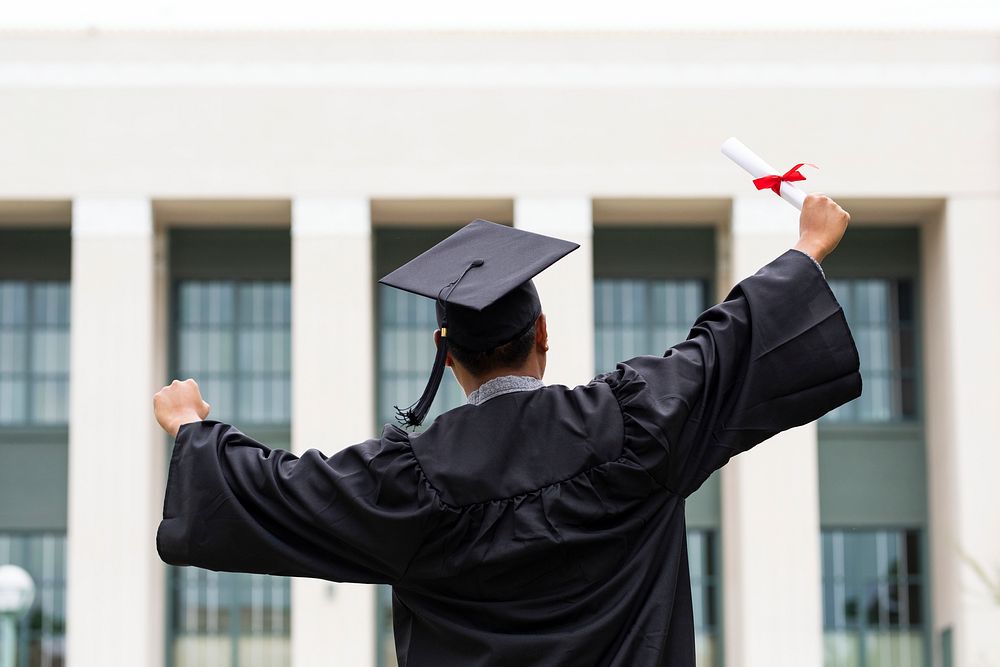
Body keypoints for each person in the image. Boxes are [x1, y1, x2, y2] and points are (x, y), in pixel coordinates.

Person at [154, 194, 860, 667]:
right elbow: (726, 343)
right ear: (543, 333)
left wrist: (194, 431)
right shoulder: (635, 427)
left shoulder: (408, 483)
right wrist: (807, 247)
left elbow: (281, 490)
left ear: (447, 350)